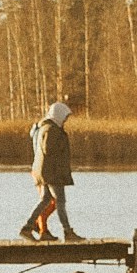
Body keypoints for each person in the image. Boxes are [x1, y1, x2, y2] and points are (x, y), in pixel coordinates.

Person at [19, 100, 82, 242]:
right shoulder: (51, 130)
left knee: (46, 200)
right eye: (65, 117)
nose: (66, 120)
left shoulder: (47, 127)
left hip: (46, 171)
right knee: (60, 202)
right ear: (58, 115)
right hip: (52, 172)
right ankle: (68, 232)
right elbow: (49, 149)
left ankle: (27, 228)